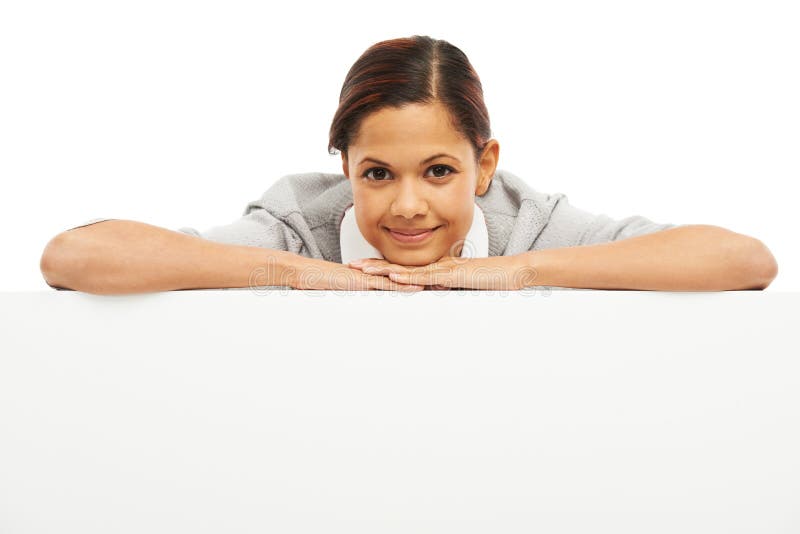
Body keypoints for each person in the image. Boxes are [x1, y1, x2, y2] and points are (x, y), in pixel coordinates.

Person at [39, 35, 778, 295]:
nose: (407, 208)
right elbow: (77, 257)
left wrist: (514, 271)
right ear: (344, 167)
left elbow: (743, 261)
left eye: (439, 171)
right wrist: (307, 273)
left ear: (484, 166)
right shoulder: (304, 220)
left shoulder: (528, 223)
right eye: (377, 174)